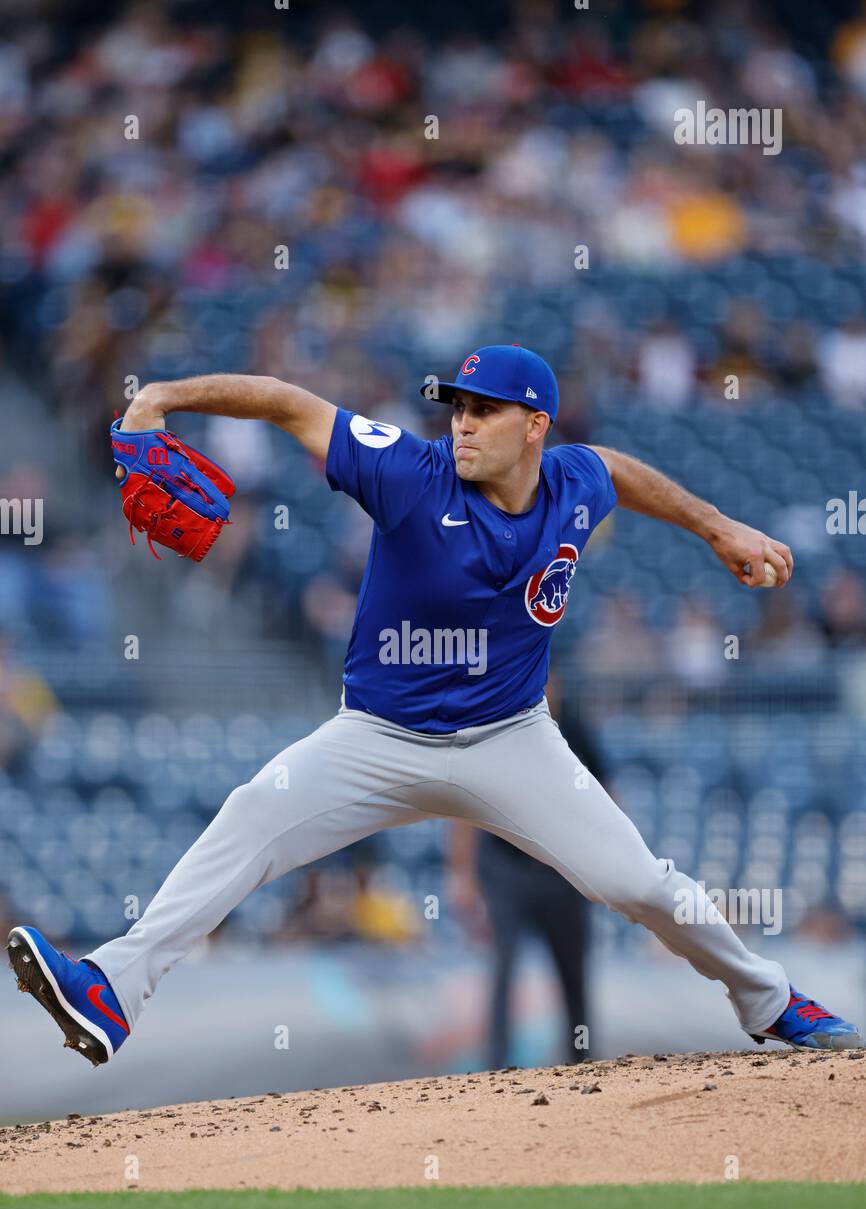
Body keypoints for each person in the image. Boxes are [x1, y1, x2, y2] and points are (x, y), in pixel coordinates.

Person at [8, 346, 860, 1064]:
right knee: (247, 819)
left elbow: (618, 473)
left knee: (639, 882)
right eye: (457, 407)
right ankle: (113, 988)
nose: (461, 422)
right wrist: (160, 397)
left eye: (484, 411)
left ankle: (770, 1001)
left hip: (511, 742)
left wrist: (717, 528)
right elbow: (283, 401)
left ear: (534, 429)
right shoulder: (406, 471)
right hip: (376, 737)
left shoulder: (573, 481)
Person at [448, 672, 605, 1069]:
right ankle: (496, 1067)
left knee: (574, 972)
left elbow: (607, 798)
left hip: (562, 870)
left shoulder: (574, 730)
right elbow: (464, 804)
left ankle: (582, 1062)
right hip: (508, 869)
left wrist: (606, 865)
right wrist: (462, 876)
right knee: (502, 971)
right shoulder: (497, 729)